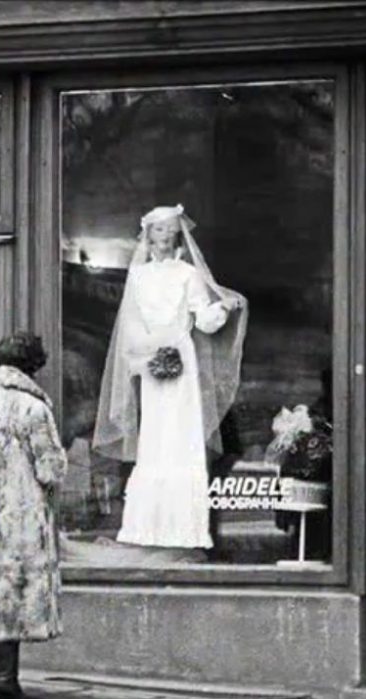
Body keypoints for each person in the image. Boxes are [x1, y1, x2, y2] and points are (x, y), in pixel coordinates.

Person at [93, 204, 248, 549]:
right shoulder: (137, 276)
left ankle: (184, 529)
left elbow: (204, 318)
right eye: (158, 230)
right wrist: (150, 351)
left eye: (169, 230)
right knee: (155, 437)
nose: (164, 237)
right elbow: (130, 324)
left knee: (181, 434)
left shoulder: (187, 273)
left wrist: (223, 306)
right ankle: (146, 527)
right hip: (153, 361)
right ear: (147, 234)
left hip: (183, 361)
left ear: (177, 234)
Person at [0, 332, 68, 699]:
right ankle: (7, 681)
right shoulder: (34, 408)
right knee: (18, 594)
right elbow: (51, 469)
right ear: (32, 366)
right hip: (24, 517)